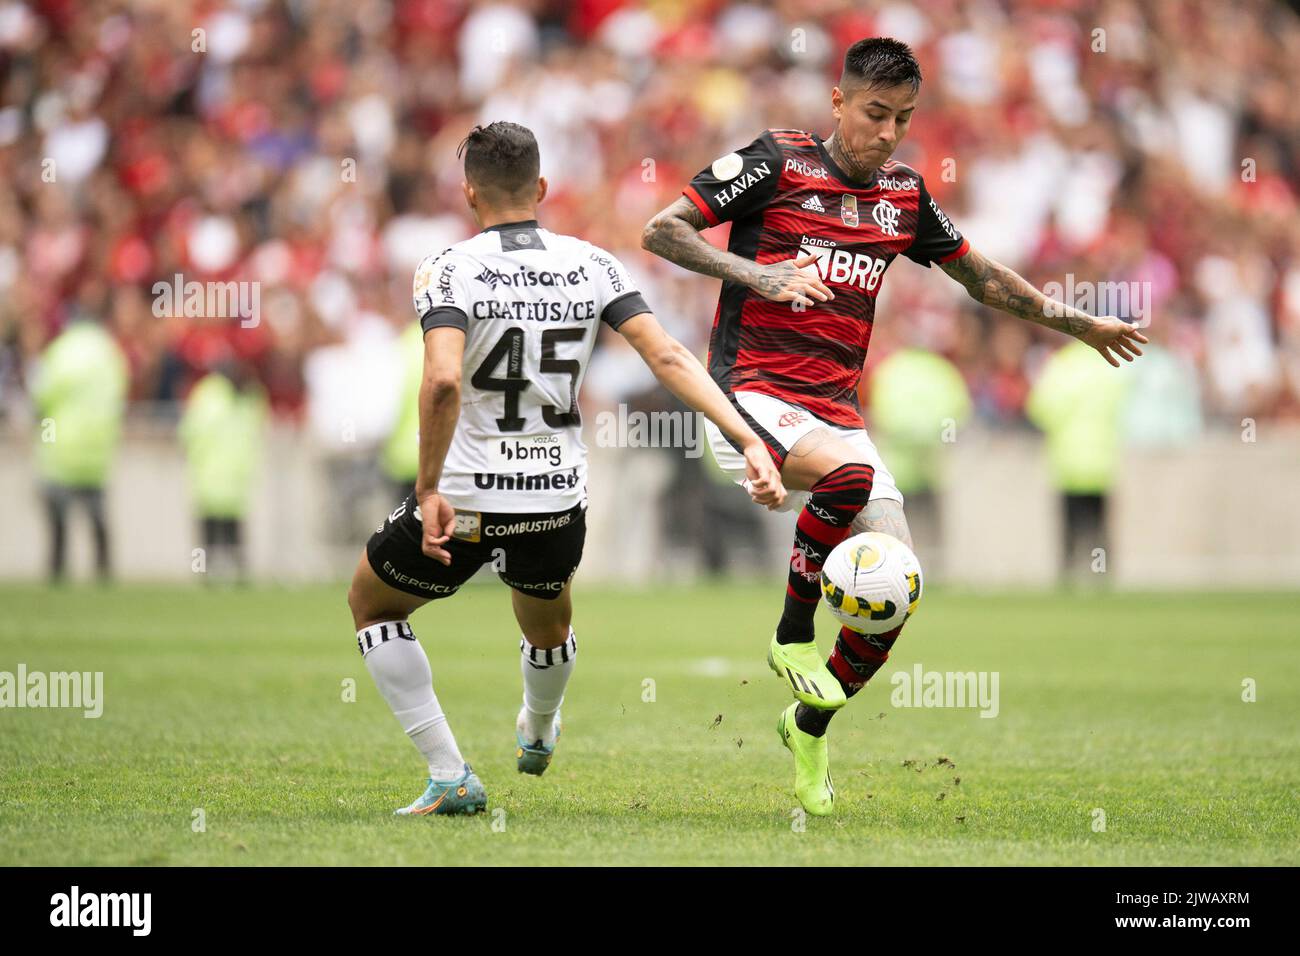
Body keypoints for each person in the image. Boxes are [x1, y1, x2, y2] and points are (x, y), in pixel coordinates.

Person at [642, 37, 1148, 815]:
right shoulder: (776, 161)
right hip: (749, 393)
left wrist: (1073, 321)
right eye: (874, 113)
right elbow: (662, 230)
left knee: (895, 593)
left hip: (837, 412)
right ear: (839, 101)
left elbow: (979, 277)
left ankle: (808, 725)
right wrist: (758, 272)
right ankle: (788, 633)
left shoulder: (904, 197)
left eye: (903, 118)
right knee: (847, 481)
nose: (887, 133)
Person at [345, 122, 786, 816]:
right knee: (546, 629)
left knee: (373, 605)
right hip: (555, 491)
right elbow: (668, 357)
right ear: (543, 188)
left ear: (468, 193)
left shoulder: (448, 268)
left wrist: (427, 487)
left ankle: (450, 773)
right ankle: (541, 727)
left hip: (467, 495)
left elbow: (441, 382)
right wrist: (747, 435)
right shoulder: (593, 263)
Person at [31, 313, 128, 583]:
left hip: (61, 448)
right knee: (97, 518)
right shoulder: (109, 353)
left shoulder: (59, 352)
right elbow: (120, 395)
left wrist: (45, 435)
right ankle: (104, 572)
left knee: (58, 521)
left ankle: (57, 571)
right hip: (97, 449)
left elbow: (42, 396)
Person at [178, 362, 267, 583]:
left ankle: (204, 575)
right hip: (234, 477)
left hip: (209, 474)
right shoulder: (245, 397)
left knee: (209, 532)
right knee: (232, 532)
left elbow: (188, 431)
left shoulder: (205, 395)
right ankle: (238, 574)